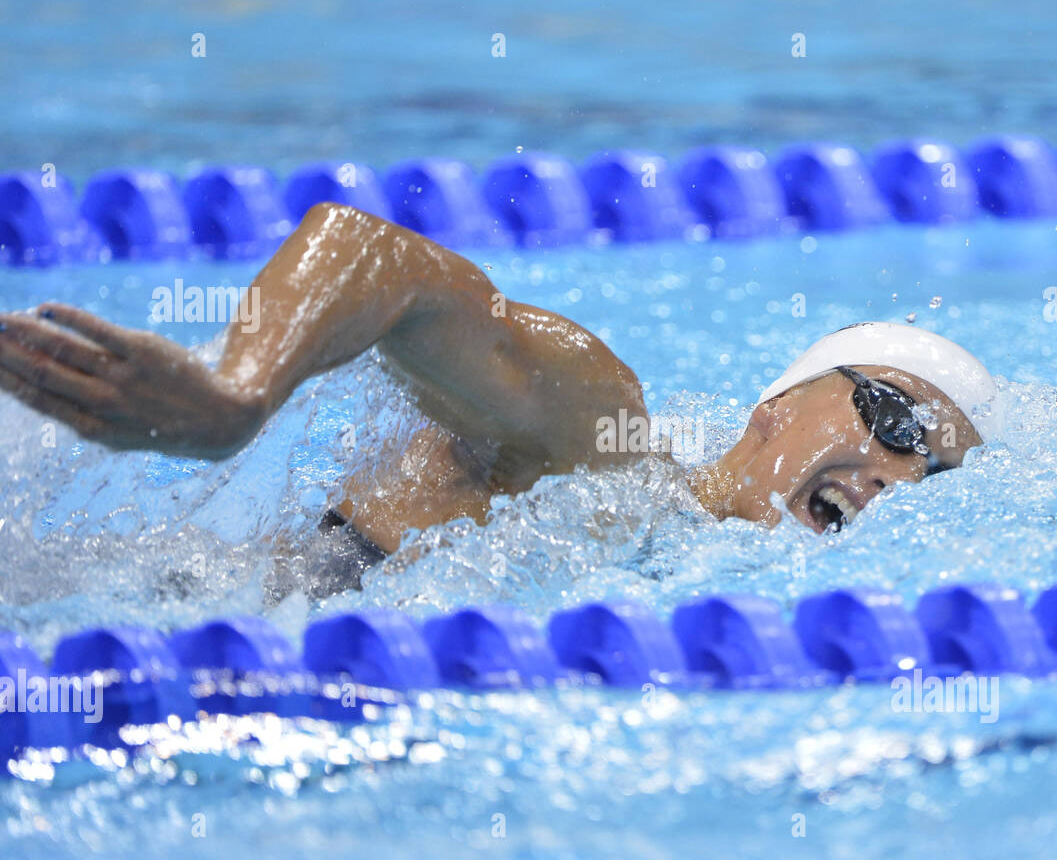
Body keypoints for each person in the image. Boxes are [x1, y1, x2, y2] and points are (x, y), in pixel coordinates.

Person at [0, 202, 997, 592]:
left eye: (935, 473)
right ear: (776, 405)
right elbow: (374, 254)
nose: (903, 472)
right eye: (895, 421)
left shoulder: (718, 584)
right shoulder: (598, 439)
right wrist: (237, 397)